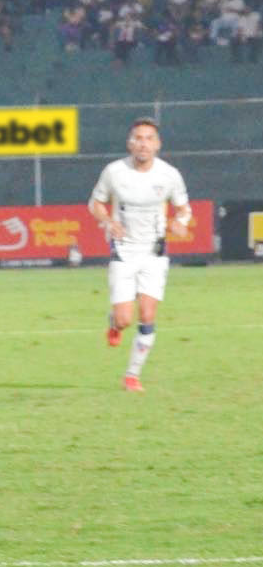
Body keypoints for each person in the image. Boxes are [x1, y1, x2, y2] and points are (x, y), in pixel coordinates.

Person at [88, 119, 190, 391]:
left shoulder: (169, 175)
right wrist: (108, 221)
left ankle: (132, 376)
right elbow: (95, 203)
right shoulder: (114, 172)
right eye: (138, 138)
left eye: (148, 138)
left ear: (157, 144)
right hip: (123, 251)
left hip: (154, 253)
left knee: (147, 314)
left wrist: (182, 222)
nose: (143, 143)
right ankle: (114, 323)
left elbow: (183, 208)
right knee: (124, 319)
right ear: (129, 143)